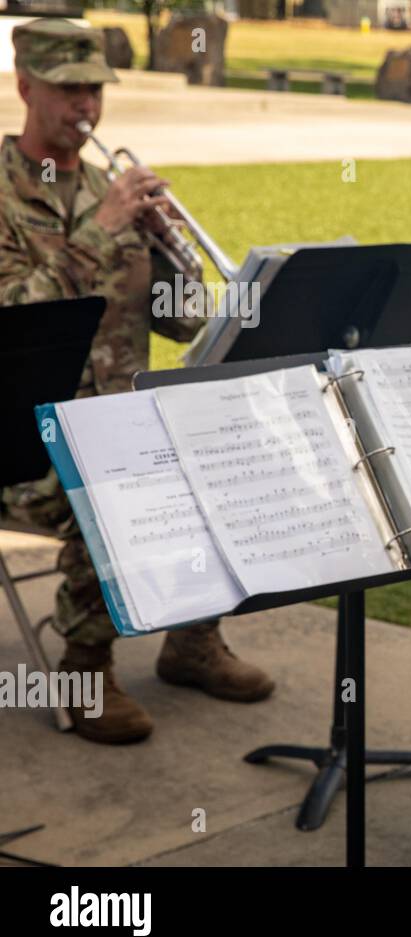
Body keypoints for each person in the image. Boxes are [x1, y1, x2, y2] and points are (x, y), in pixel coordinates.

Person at [0, 19, 274, 745]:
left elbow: (183, 326)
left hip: (121, 414)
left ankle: (190, 641)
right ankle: (84, 665)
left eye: (94, 88)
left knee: (223, 462)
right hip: (19, 433)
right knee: (111, 483)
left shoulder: (109, 186)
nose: (84, 104)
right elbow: (13, 313)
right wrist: (102, 230)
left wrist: (174, 256)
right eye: (67, 88)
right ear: (25, 86)